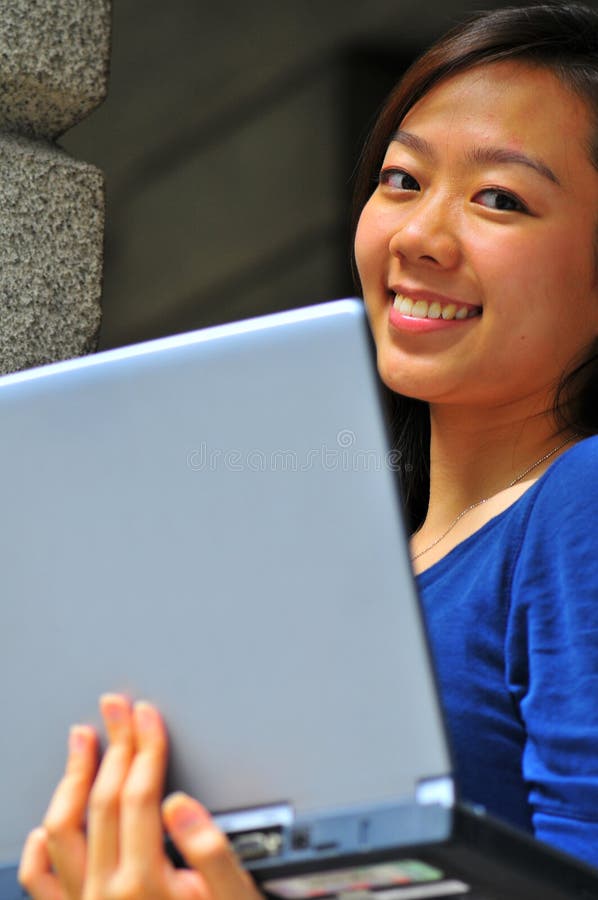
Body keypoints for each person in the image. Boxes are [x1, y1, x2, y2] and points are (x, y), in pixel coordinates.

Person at [18, 2, 598, 897]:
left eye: (499, 198)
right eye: (403, 180)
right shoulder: (335, 584)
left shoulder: (578, 500)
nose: (417, 237)